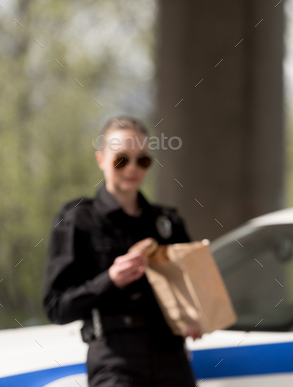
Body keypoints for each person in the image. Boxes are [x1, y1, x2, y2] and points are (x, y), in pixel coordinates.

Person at [43, 116, 200, 387]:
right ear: (100, 159)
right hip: (115, 356)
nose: (132, 168)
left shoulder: (167, 222)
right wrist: (110, 279)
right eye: (121, 159)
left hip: (170, 354)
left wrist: (195, 314)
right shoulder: (77, 220)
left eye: (142, 160)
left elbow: (194, 286)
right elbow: (57, 307)